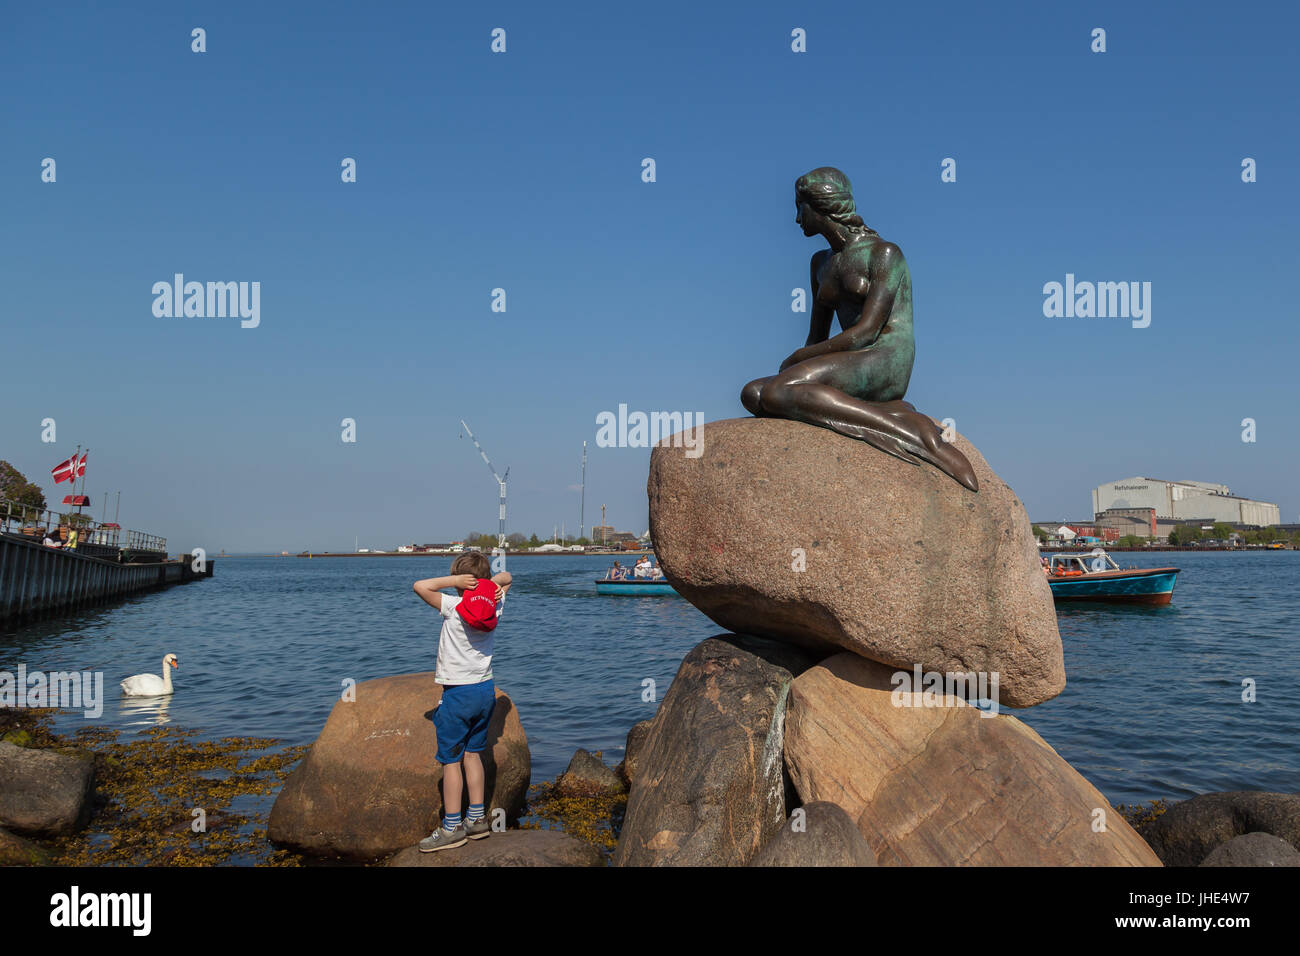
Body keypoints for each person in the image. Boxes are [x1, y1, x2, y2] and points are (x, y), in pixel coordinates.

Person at [411, 552, 513, 852]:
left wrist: (453, 581)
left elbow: (420, 586)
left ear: (459, 584)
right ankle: (478, 819)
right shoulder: (493, 604)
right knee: (474, 755)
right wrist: (490, 585)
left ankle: (452, 826)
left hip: (457, 695)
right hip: (485, 691)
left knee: (451, 761)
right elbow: (508, 578)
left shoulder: (454, 606)